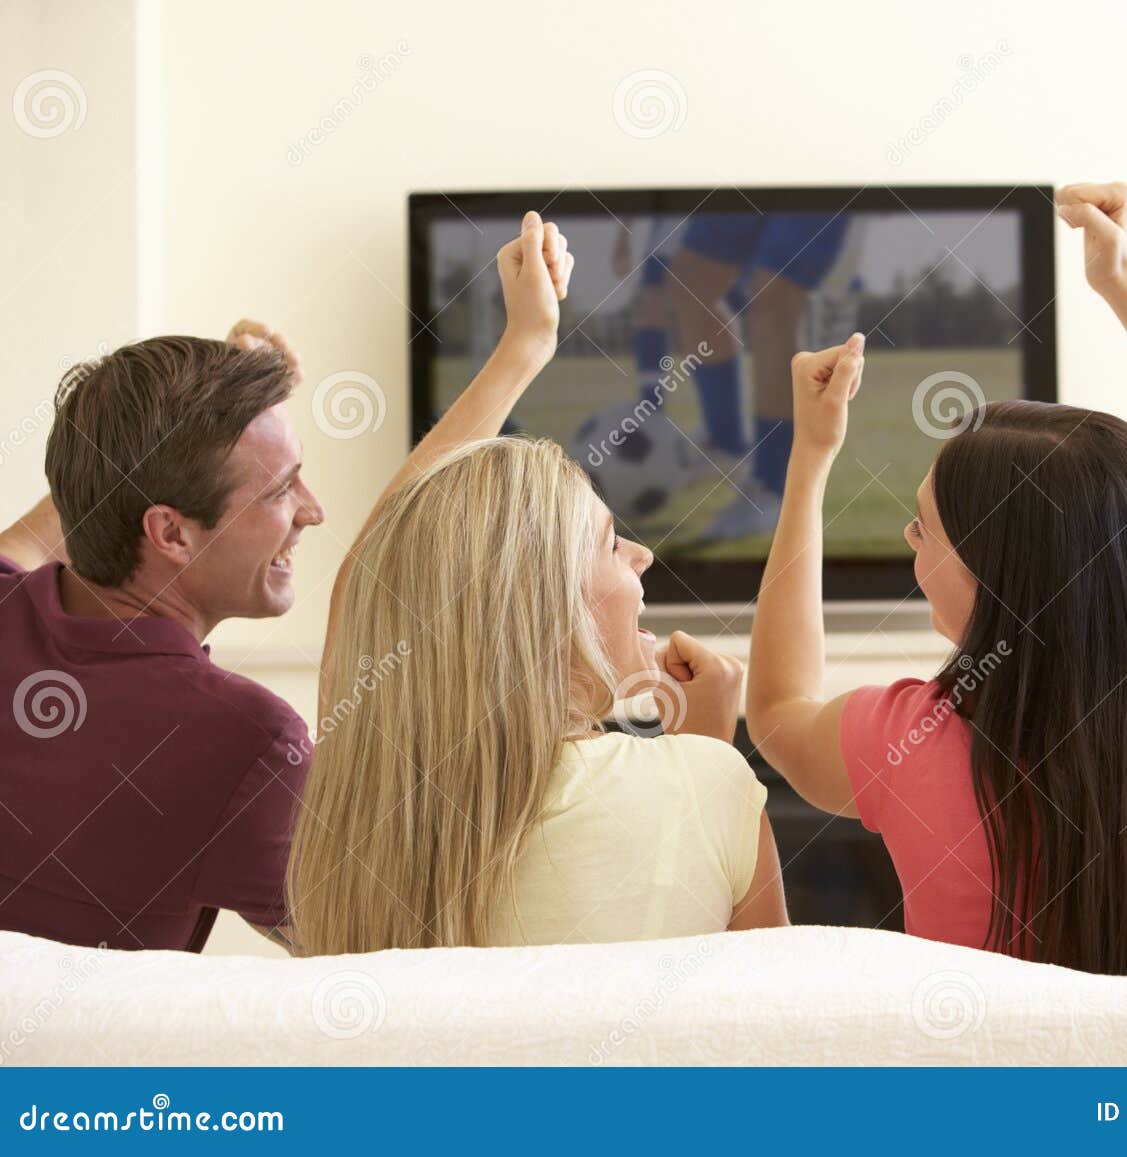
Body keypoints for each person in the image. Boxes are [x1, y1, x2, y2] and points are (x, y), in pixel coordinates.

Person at [743, 183, 1127, 978]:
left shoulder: (911, 742)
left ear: (990, 581)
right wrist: (1122, 285)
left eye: (923, 529)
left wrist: (808, 464)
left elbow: (774, 712)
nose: (911, 544)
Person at [287, 212, 787, 955]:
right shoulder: (707, 784)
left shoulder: (368, 786)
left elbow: (373, 576)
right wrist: (705, 754)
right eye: (613, 544)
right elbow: (760, 1028)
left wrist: (524, 348)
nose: (644, 555)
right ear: (547, 607)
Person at [0, 320, 325, 951]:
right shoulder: (248, 739)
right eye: (282, 490)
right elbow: (386, 959)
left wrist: (195, 413)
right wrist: (524, 349)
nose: (313, 511)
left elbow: (56, 524)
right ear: (172, 534)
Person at [670, 212, 854, 541]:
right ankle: (726, 442)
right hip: (745, 166)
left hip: (812, 171)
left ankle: (772, 487)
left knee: (772, 295)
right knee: (689, 282)